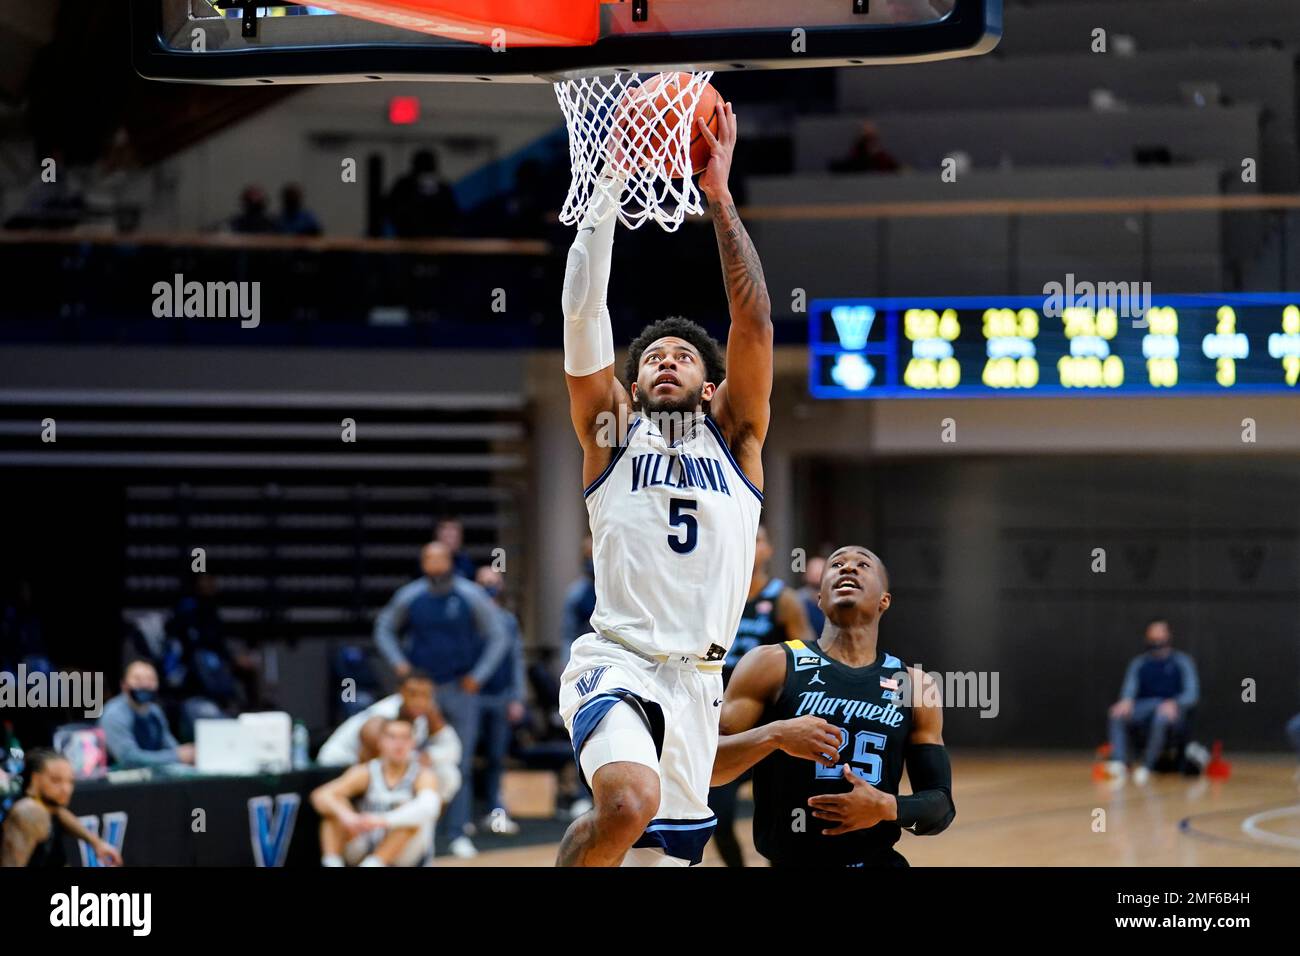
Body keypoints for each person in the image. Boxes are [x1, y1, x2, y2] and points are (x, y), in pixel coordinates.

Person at [556, 101, 772, 867]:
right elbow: (583, 315)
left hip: (700, 685)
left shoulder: (738, 440)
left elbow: (753, 324)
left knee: (657, 851)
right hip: (617, 661)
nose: (669, 360)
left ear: (710, 389)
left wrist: (720, 198)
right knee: (625, 803)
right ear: (634, 381)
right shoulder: (613, 435)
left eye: (684, 355)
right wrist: (608, 180)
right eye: (654, 357)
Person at [714, 546, 954, 867]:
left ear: (884, 600)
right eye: (837, 564)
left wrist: (886, 806)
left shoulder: (914, 685)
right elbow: (709, 768)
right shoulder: (772, 664)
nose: (848, 569)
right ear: (819, 598)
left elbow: (940, 808)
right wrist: (775, 735)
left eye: (862, 565)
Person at [373, 541, 508, 858]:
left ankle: (457, 832)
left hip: (461, 689)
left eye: (439, 559)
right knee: (410, 758)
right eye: (428, 559)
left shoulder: (468, 595)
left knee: (458, 762)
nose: (434, 565)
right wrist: (398, 663)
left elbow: (499, 634)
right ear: (422, 564)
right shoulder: (411, 595)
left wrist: (479, 674)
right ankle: (415, 832)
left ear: (449, 561)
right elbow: (383, 627)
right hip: (420, 691)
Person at [708, 525, 812, 866]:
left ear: (769, 551)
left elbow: (808, 660)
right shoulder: (714, 596)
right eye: (745, 538)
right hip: (723, 723)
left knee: (781, 823)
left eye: (759, 539)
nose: (752, 546)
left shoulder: (783, 600)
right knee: (718, 819)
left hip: (771, 726)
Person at [316, 671, 462, 806]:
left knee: (448, 775)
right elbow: (372, 758)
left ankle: (422, 828)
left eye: (425, 695)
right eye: (413, 694)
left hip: (383, 771)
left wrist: (429, 757)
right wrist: (417, 760)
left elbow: (453, 749)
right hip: (339, 766)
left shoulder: (427, 712)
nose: (419, 700)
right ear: (401, 692)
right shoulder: (383, 714)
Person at [312, 718, 441, 867]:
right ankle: (332, 863)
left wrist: (382, 820)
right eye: (392, 737)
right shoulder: (366, 771)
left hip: (404, 855)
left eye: (405, 738)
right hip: (366, 844)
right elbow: (320, 795)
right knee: (333, 809)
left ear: (413, 742)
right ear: (380, 741)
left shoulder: (422, 774)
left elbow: (429, 807)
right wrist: (348, 816)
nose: (399, 744)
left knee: (411, 820)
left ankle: (375, 863)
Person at [1106, 619, 1200, 785]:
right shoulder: (1139, 664)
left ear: (1168, 637)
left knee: (1161, 716)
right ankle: (1119, 763)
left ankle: (1147, 766)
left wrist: (1175, 703)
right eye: (1153, 637)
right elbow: (1129, 690)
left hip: (1171, 710)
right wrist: (1126, 701)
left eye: (1160, 636)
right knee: (1117, 714)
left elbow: (1191, 694)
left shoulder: (1182, 662)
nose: (1157, 641)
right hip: (1145, 707)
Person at [473, 566, 527, 836]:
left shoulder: (507, 620)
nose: (488, 586)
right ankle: (461, 819)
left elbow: (516, 659)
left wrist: (517, 697)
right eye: (483, 582)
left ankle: (495, 812)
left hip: (500, 696)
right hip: (471, 698)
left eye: (493, 582)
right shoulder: (468, 617)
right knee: (464, 758)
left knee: (496, 758)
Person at [1, 748, 122, 867]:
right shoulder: (28, 811)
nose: (66, 789)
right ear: (35, 779)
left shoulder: (49, 808)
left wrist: (96, 843)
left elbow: (61, 814)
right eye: (56, 780)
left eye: (70, 781)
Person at [99, 660, 195, 769]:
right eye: (138, 679)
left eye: (150, 680)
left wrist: (187, 753)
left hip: (152, 778)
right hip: (119, 779)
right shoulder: (114, 714)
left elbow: (171, 747)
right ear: (124, 685)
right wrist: (176, 756)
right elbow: (128, 758)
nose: (145, 685)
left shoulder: (155, 712)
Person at [386, 149, 459, 238]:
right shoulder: (403, 186)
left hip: (438, 241)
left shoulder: (442, 187)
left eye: (428, 166)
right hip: (408, 240)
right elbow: (392, 212)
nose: (426, 174)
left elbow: (452, 215)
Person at [558, 536, 597, 673]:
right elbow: (568, 635)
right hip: (585, 660)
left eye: (595, 555)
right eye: (588, 556)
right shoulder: (576, 594)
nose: (592, 561)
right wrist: (567, 669)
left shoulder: (617, 590)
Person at [828, 121, 902, 174]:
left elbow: (886, 162)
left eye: (871, 136)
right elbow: (854, 160)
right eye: (866, 136)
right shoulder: (859, 149)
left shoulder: (880, 155)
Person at [799, 555, 828, 639]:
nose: (817, 573)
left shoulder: (838, 600)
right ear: (805, 574)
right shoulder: (796, 600)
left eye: (821, 570)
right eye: (813, 570)